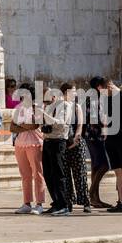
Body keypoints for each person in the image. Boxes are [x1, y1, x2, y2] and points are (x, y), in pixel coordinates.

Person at [91, 75, 122, 213]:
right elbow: (105, 116)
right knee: (117, 171)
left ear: (109, 86)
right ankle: (121, 201)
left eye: (102, 90)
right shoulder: (106, 98)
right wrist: (105, 132)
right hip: (111, 138)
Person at [11, 80, 45, 215]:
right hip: (20, 144)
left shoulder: (38, 107)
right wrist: (25, 125)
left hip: (35, 142)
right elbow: (12, 127)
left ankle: (40, 203)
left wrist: (21, 125)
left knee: (38, 173)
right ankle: (27, 203)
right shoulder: (18, 108)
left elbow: (35, 126)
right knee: (25, 175)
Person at [40, 85, 73, 216]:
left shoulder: (65, 106)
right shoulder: (48, 106)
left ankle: (64, 204)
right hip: (47, 141)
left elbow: (59, 123)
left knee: (59, 174)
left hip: (58, 142)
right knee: (48, 174)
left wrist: (43, 114)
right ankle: (56, 202)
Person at [62, 81, 92, 214]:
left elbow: (80, 125)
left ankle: (86, 202)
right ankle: (69, 202)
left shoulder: (76, 107)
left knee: (80, 174)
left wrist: (75, 140)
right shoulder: (60, 107)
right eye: (72, 91)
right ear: (64, 93)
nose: (74, 93)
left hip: (76, 143)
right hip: (63, 143)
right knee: (66, 175)